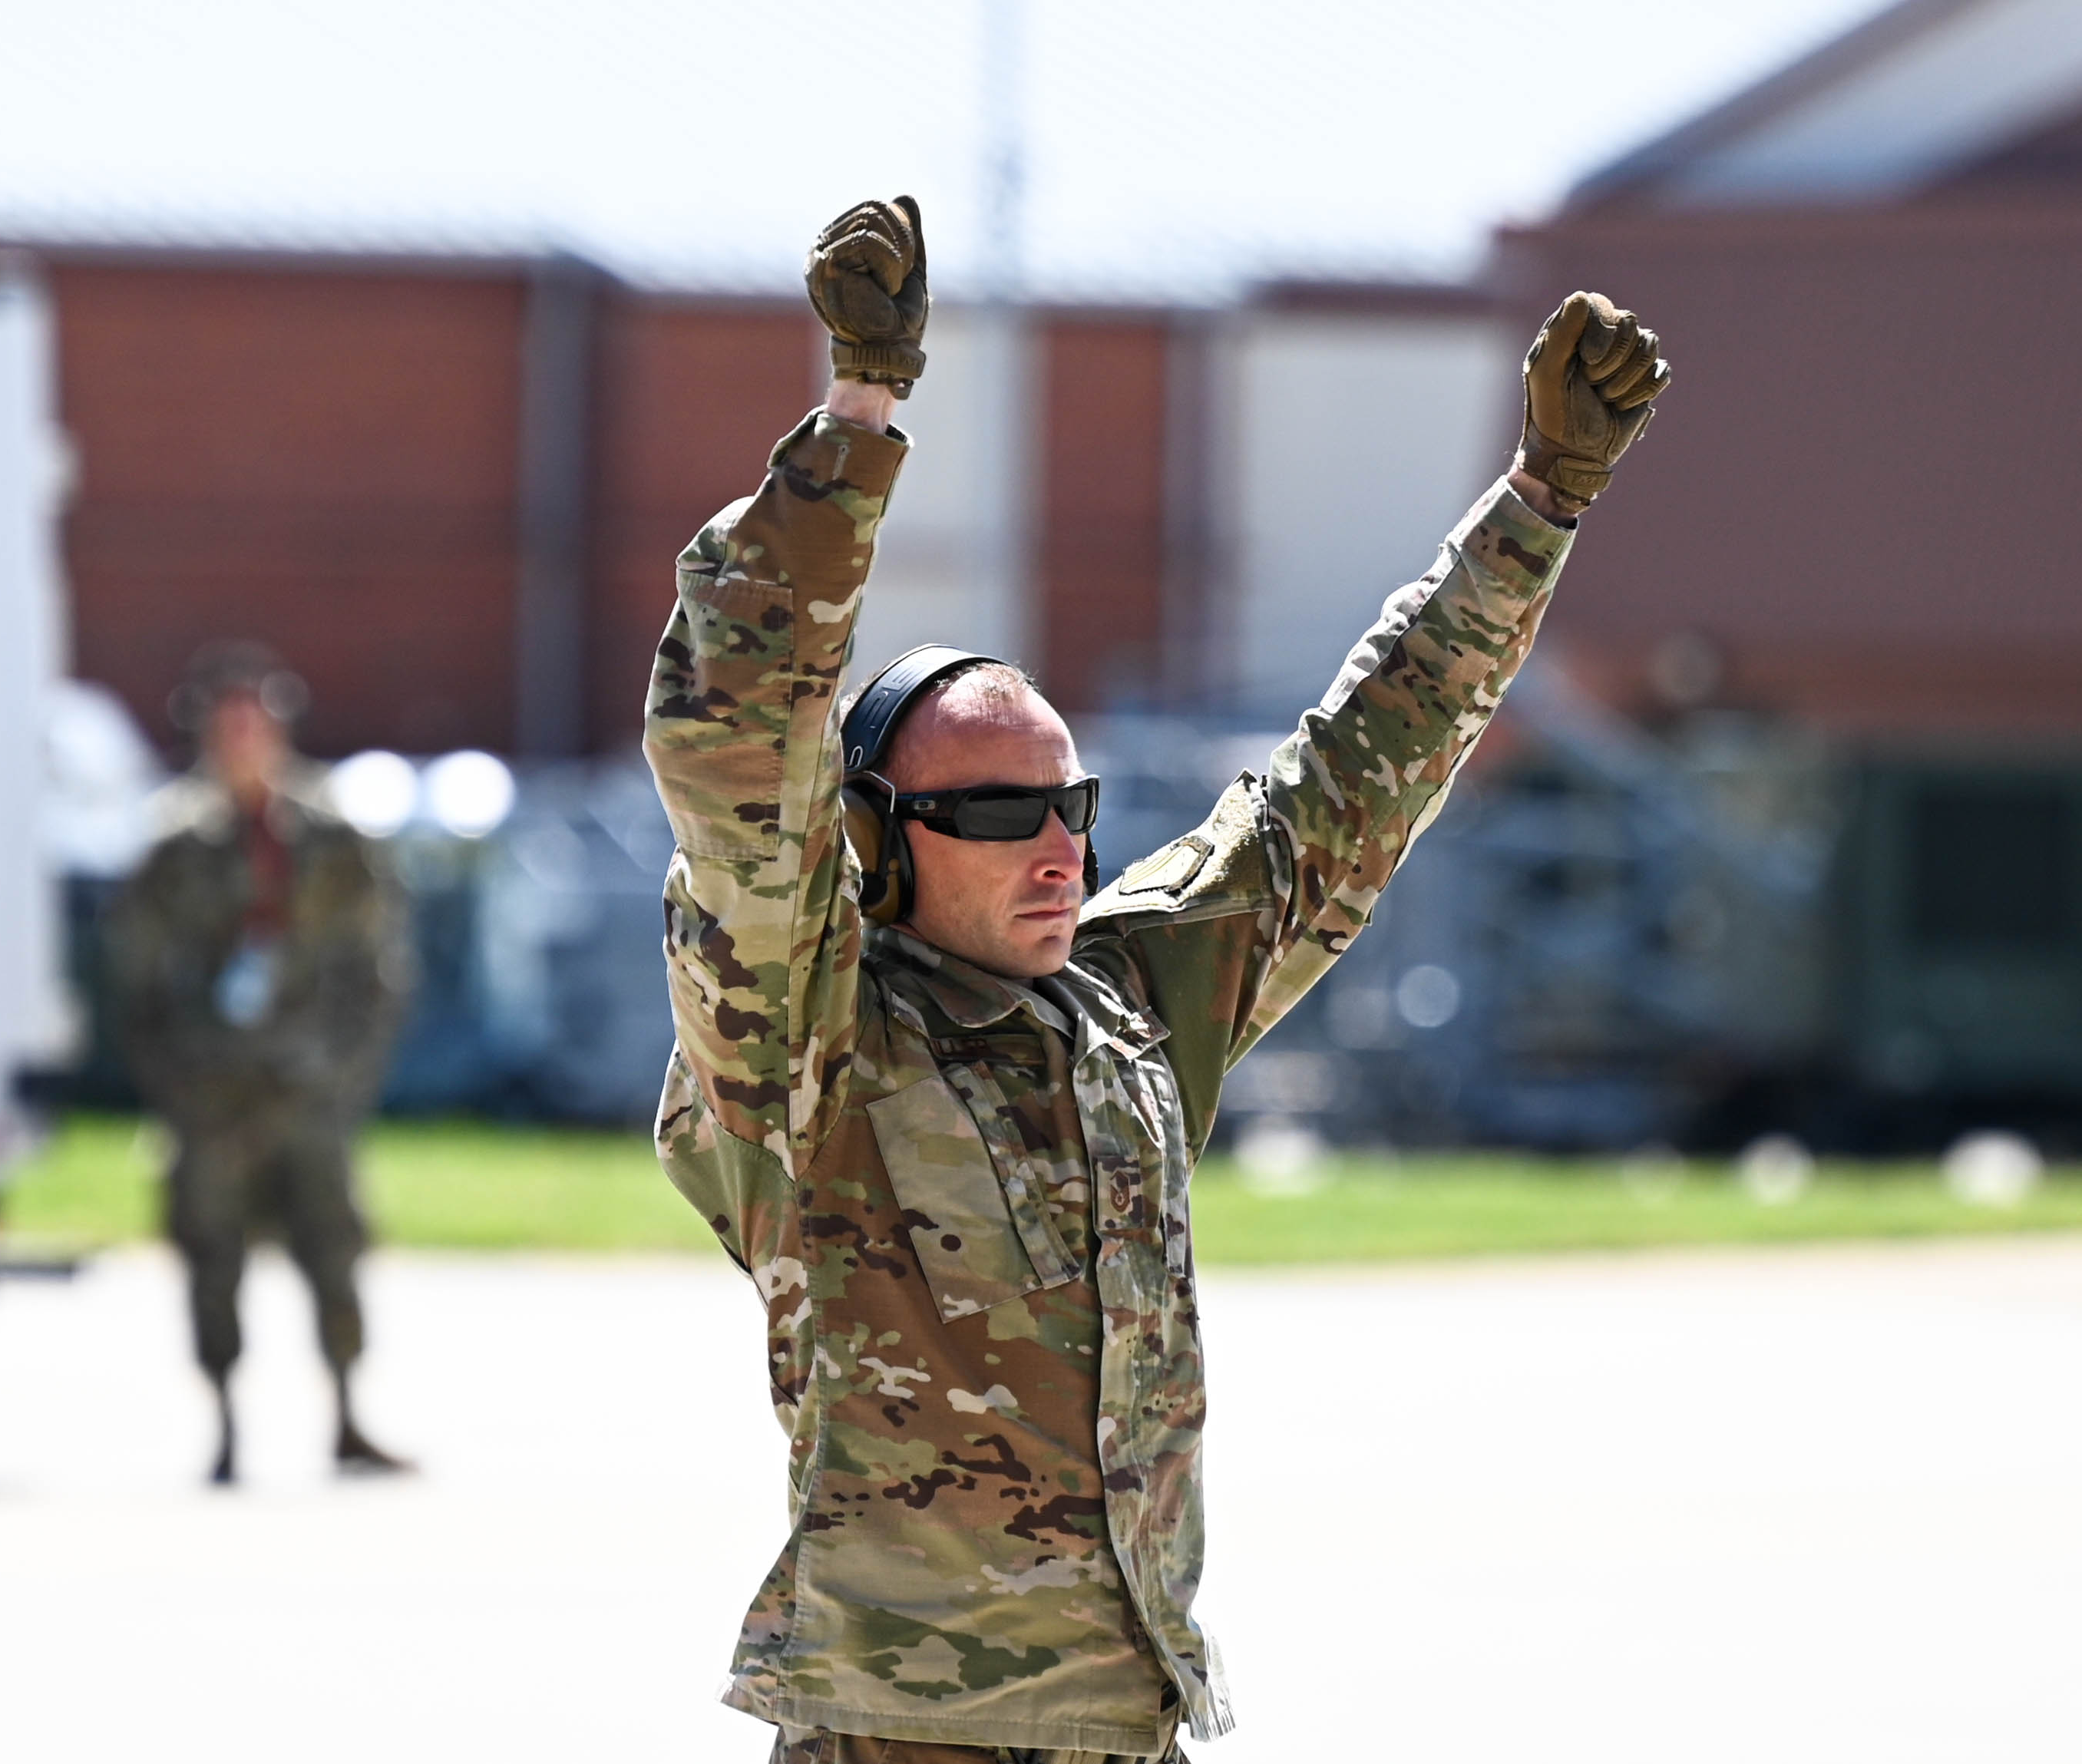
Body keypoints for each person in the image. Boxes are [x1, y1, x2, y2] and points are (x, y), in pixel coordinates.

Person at [645, 196, 1667, 1763]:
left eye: (1072, 806)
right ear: (878, 837)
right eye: (996, 814)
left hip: (1129, 1720)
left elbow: (1351, 777)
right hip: (904, 1736)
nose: (1055, 848)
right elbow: (730, 744)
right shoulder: (806, 1044)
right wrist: (857, 415)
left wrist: (1538, 503)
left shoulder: (1121, 1011)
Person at [110, 642, 415, 1485]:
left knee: (333, 1251)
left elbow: (376, 970)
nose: (245, 735)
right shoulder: (175, 845)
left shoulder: (331, 837)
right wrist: (176, 1083)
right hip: (213, 1093)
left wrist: (343, 1073)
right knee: (212, 1262)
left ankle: (348, 1416)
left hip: (306, 1086)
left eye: (258, 719)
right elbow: (137, 981)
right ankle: (225, 1428)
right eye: (229, 720)